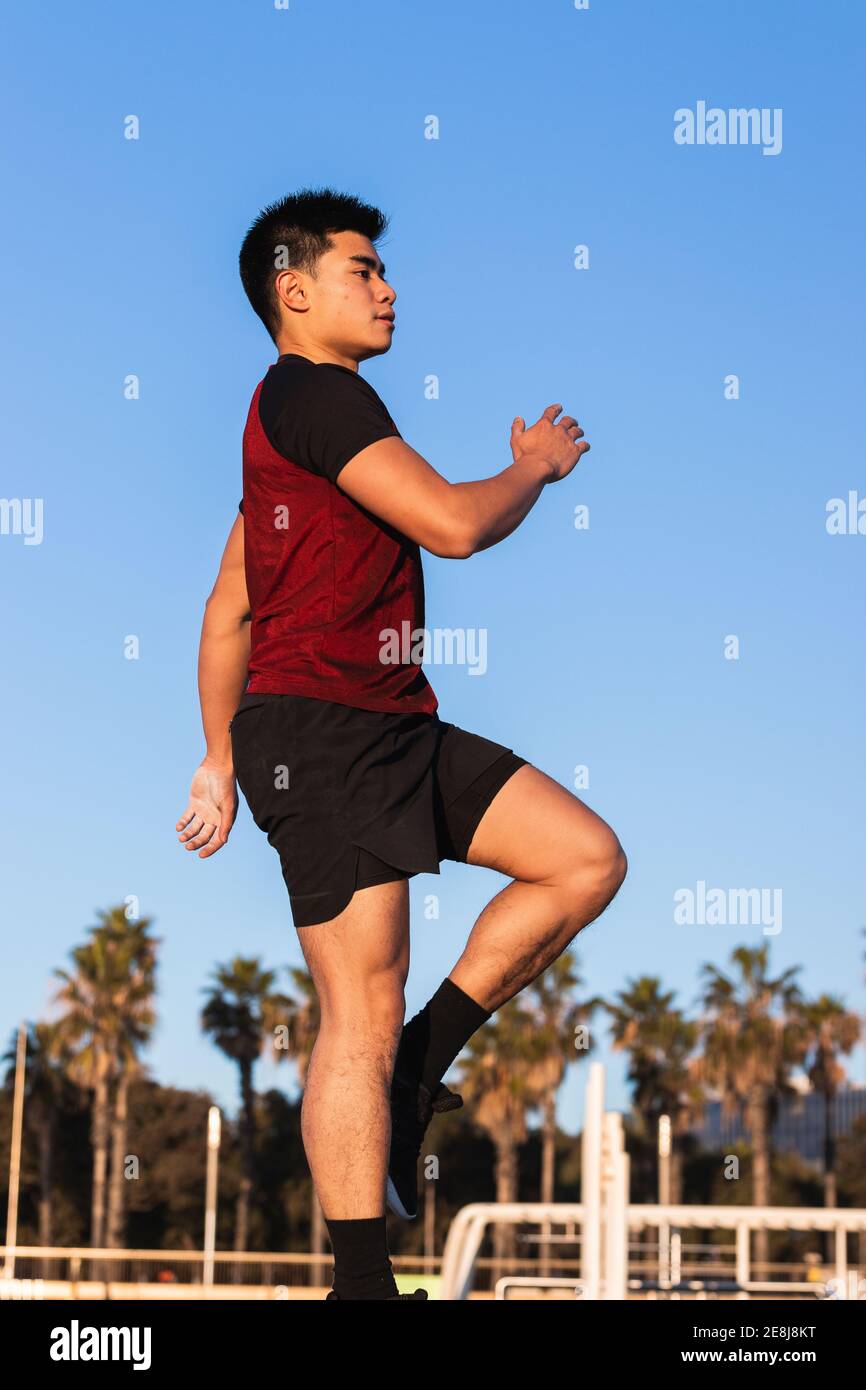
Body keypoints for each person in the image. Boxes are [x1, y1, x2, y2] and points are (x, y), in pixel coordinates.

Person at [176, 187, 628, 1301]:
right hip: (322, 738)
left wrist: (215, 758)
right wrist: (533, 466)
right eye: (361, 269)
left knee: (583, 858)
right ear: (293, 292)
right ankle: (361, 1285)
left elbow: (230, 604)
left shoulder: (295, 428)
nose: (387, 287)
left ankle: (423, 1064)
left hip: (391, 720)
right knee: (357, 1007)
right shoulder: (314, 395)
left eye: (383, 270)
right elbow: (457, 525)